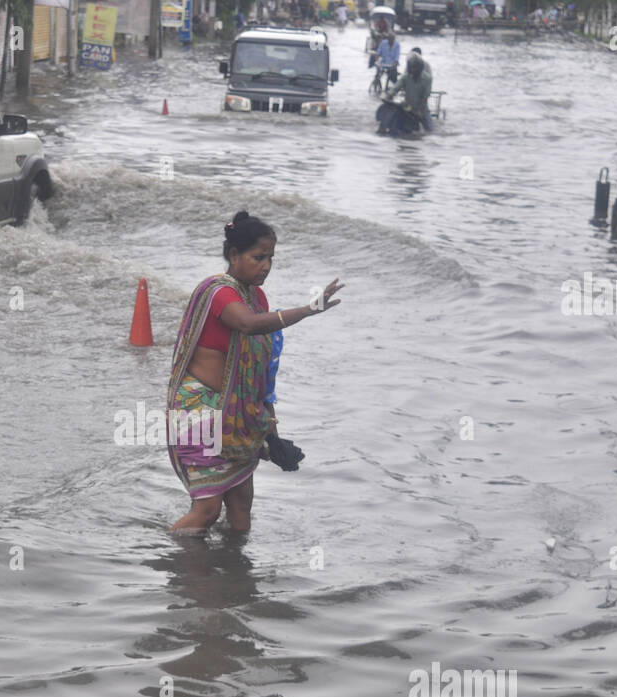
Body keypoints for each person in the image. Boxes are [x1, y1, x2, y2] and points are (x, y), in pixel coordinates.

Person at [167, 212, 344, 533]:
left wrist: (271, 431)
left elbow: (262, 371)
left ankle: (235, 575)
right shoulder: (218, 292)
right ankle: (168, 560)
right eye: (258, 257)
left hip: (238, 420)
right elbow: (248, 326)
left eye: (270, 258)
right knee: (207, 512)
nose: (265, 266)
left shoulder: (256, 297)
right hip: (200, 415)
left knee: (241, 509)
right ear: (234, 256)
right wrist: (308, 310)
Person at [379, 49, 432, 135]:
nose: (413, 71)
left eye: (415, 68)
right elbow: (395, 88)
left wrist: (419, 111)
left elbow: (425, 97)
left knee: (430, 131)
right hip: (408, 107)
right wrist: (388, 95)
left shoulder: (427, 79)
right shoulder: (406, 77)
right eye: (411, 68)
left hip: (422, 109)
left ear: (420, 68)